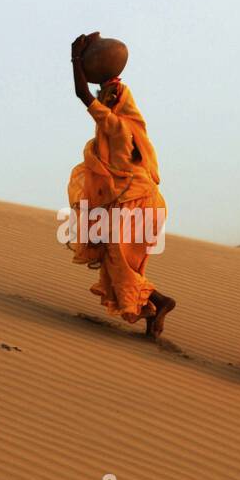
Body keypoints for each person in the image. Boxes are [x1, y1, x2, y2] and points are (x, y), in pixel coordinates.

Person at [66, 32, 175, 338]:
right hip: (141, 199)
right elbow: (97, 94)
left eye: (109, 97)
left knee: (118, 261)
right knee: (121, 262)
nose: (104, 99)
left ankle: (160, 301)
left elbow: (81, 94)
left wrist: (75, 58)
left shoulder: (115, 126)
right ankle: (152, 318)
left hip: (134, 202)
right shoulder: (129, 124)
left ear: (116, 103)